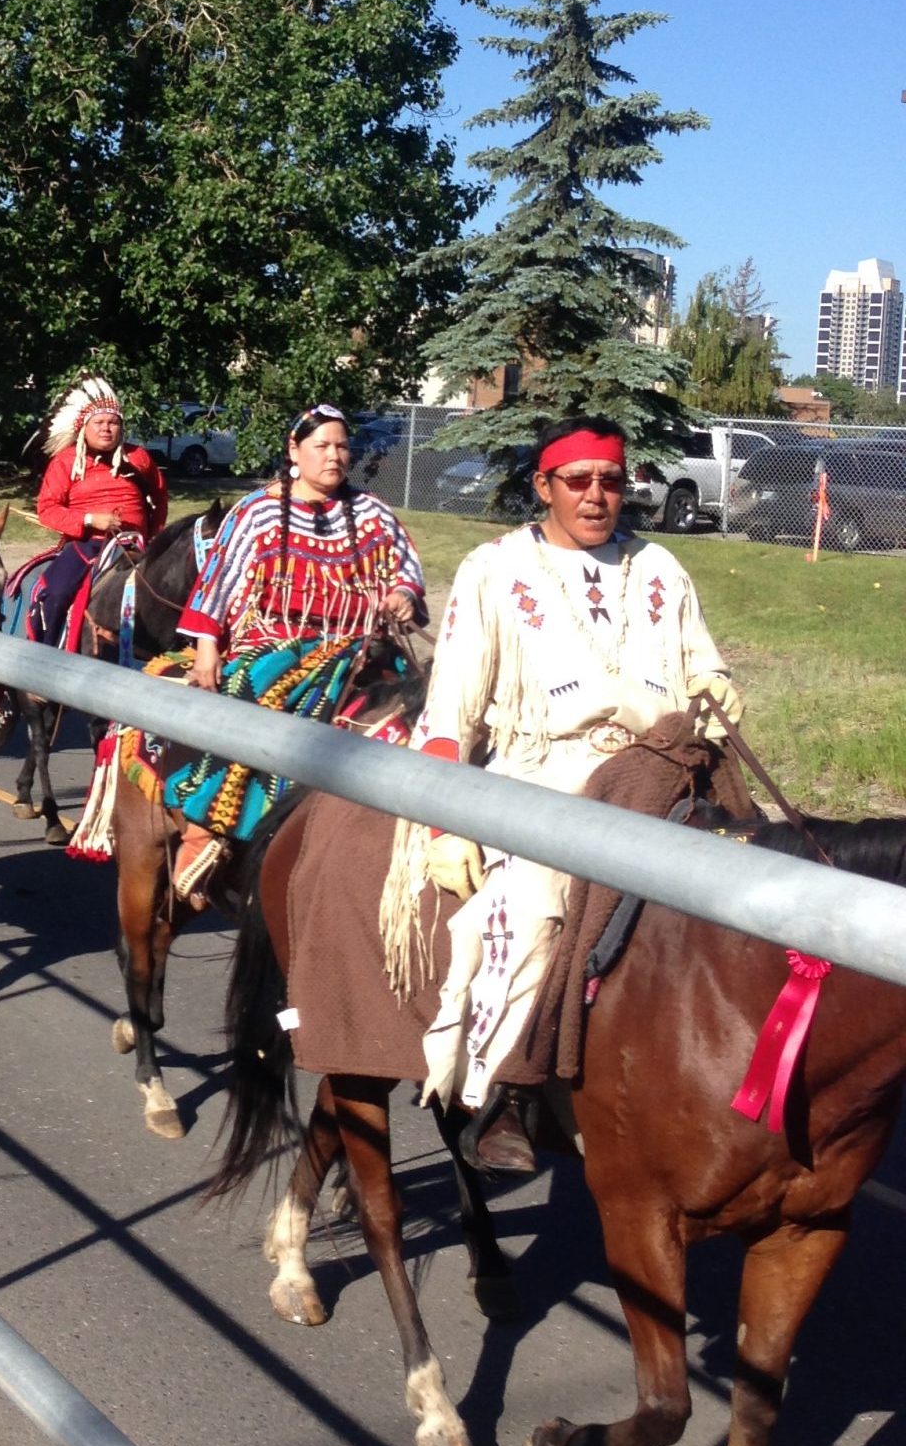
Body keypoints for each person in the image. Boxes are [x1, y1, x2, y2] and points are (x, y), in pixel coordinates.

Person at [394, 415, 740, 1170]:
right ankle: (507, 1088)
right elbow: (450, 708)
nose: (596, 496)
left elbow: (703, 663)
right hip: (544, 777)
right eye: (577, 481)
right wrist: (444, 823)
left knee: (747, 881)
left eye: (611, 481)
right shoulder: (495, 570)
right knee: (535, 908)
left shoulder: (659, 568)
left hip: (659, 768)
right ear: (544, 485)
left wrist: (715, 686)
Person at [164, 402, 426, 899]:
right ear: (294, 451)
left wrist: (402, 595)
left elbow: (407, 570)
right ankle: (207, 828)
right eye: (321, 446)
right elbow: (217, 583)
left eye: (342, 446)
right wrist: (205, 649)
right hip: (274, 643)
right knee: (250, 697)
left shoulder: (372, 513)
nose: (334, 456)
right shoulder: (258, 511)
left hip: (360, 646)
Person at [30, 376, 167, 646]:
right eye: (99, 423)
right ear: (84, 428)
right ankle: (44, 655)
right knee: (56, 593)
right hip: (86, 545)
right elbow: (47, 509)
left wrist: (153, 538)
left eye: (113, 423)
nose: (107, 429)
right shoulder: (66, 461)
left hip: (137, 545)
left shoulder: (139, 457)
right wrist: (90, 519)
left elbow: (159, 499)